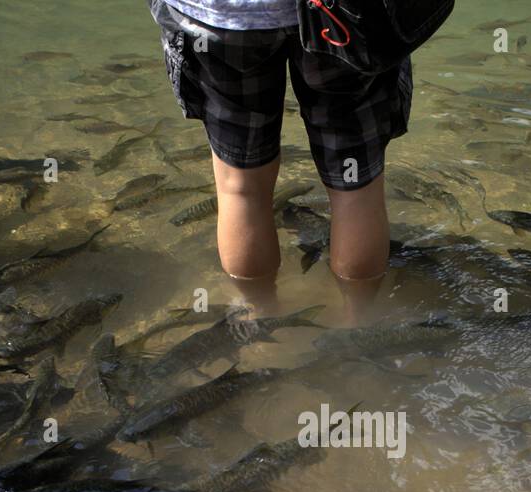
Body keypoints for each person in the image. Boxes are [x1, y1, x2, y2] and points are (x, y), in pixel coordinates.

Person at [146, 0, 411, 319]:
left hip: (220, 17)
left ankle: (261, 321)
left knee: (241, 190)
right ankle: (357, 328)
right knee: (356, 193)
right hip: (346, 18)